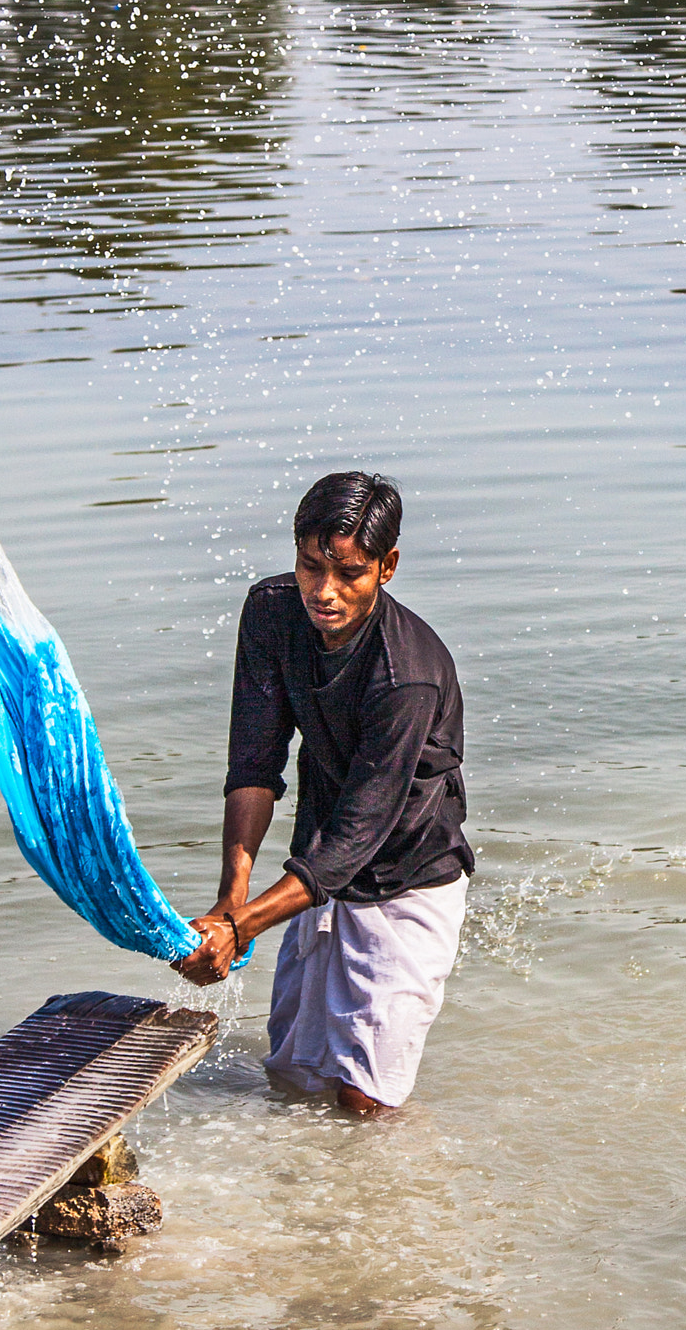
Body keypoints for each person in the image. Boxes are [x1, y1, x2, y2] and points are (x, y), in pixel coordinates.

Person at [177, 471, 473, 1115]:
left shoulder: (406, 677)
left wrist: (239, 926)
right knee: (294, 1081)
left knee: (364, 1101)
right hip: (314, 879)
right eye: (311, 567)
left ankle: (377, 1209)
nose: (325, 591)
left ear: (387, 567)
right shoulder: (271, 612)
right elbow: (254, 761)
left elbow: (356, 838)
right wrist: (231, 899)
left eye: (350, 573)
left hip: (407, 884)